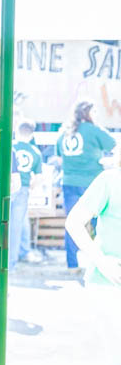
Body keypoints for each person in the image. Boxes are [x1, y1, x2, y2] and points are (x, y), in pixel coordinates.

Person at [66, 166, 121, 365]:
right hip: (108, 282)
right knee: (117, 357)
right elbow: (74, 222)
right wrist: (102, 262)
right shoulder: (110, 180)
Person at [56, 101, 117, 271]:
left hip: (69, 183)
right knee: (100, 224)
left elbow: (59, 159)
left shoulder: (64, 132)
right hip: (93, 183)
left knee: (73, 222)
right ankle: (101, 263)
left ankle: (72, 264)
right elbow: (114, 146)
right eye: (94, 111)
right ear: (88, 113)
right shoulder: (94, 130)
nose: (96, 114)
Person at [10, 119, 43, 267]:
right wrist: (30, 187)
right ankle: (11, 262)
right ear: (31, 135)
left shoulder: (10, 146)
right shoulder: (35, 152)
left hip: (6, 187)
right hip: (22, 188)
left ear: (16, 131)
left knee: (0, 222)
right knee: (17, 226)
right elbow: (38, 178)